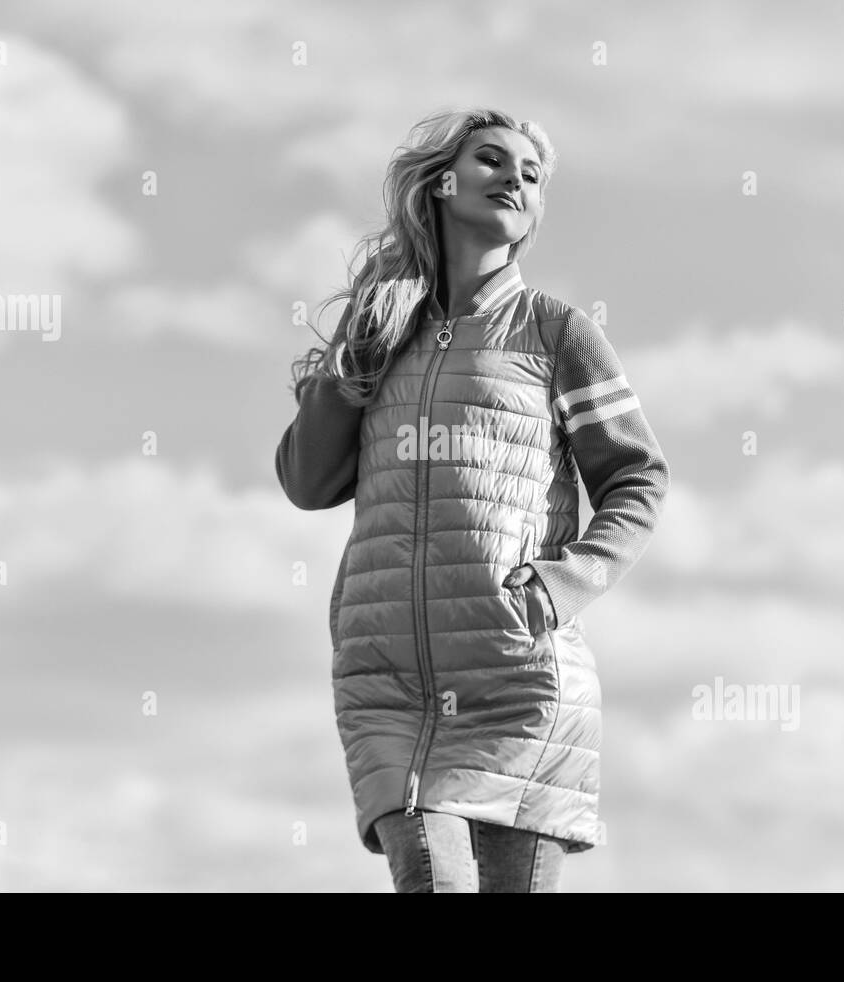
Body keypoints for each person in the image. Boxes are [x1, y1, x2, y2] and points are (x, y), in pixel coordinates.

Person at [274, 107, 669, 892]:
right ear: (441, 183)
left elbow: (637, 478)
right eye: (492, 161)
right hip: (384, 680)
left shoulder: (557, 333)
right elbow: (307, 480)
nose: (514, 180)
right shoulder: (383, 332)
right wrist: (358, 340)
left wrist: (560, 588)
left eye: (531, 174)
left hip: (517, 681)